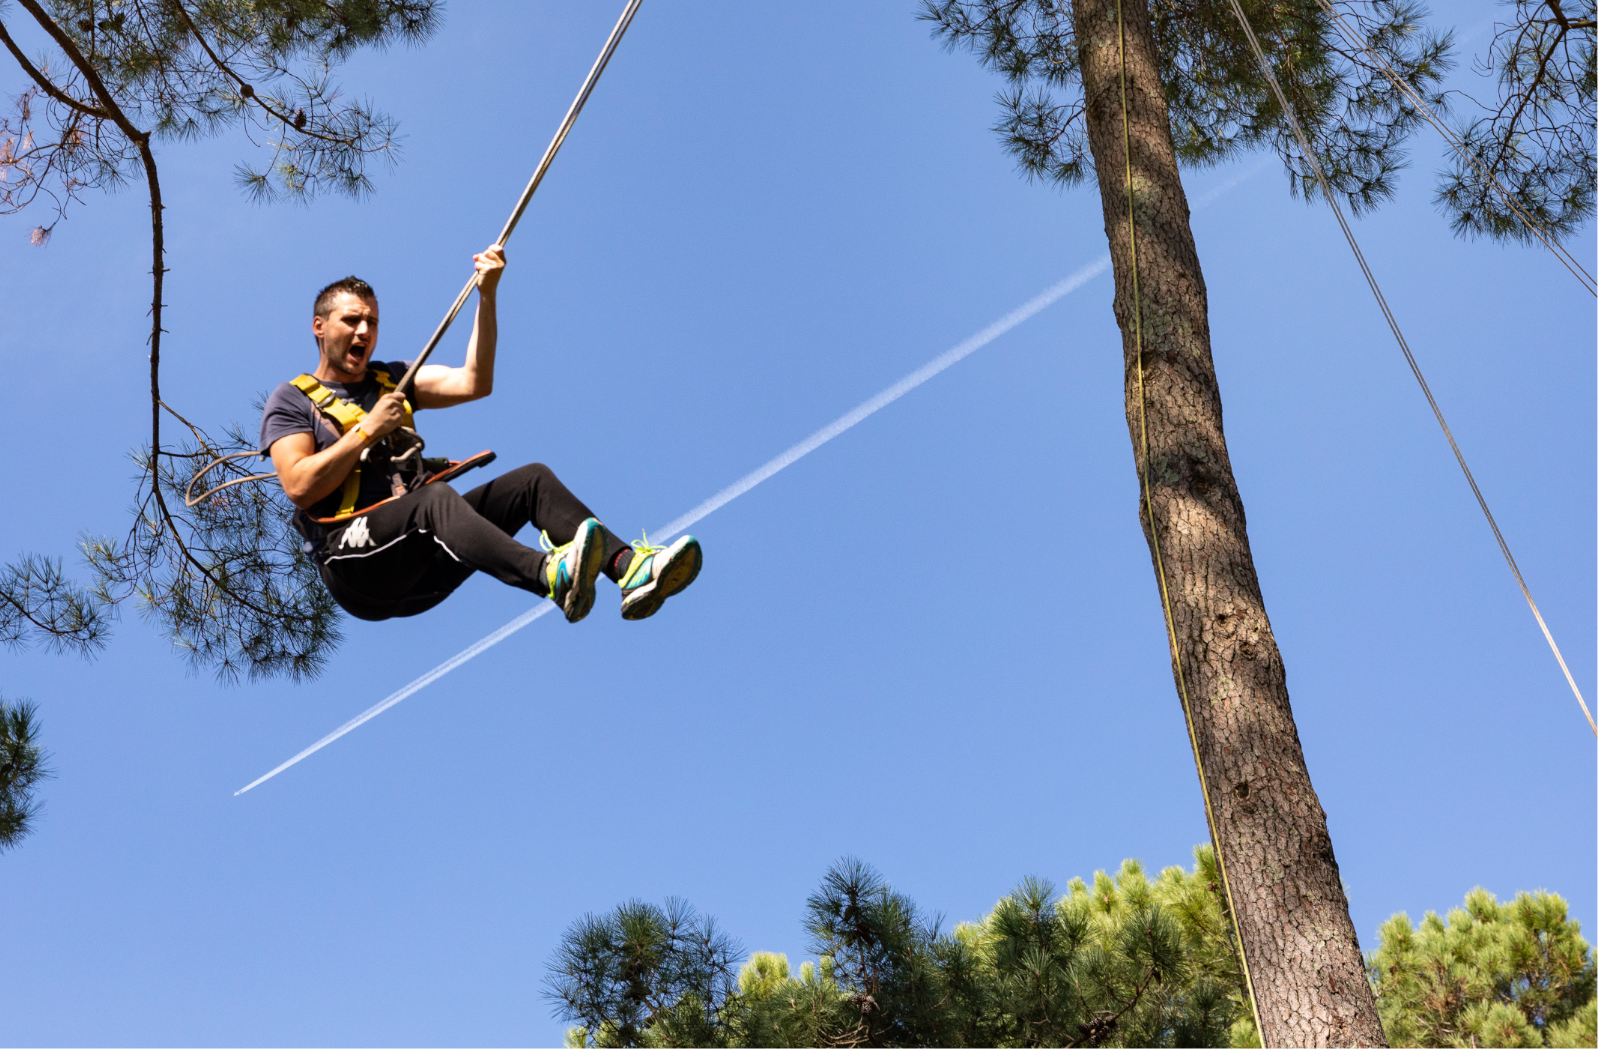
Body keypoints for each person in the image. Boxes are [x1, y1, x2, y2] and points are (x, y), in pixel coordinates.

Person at [259, 244, 701, 624]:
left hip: (422, 570)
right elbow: (298, 485)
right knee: (432, 502)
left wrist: (487, 295)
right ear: (319, 327)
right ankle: (550, 575)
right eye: (351, 320)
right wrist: (366, 431)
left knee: (532, 481)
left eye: (372, 323)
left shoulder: (392, 379)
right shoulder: (293, 400)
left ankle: (631, 571)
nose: (364, 332)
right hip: (356, 568)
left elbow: (475, 381)